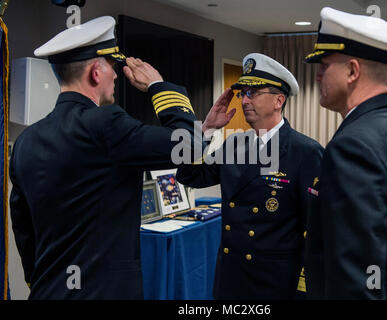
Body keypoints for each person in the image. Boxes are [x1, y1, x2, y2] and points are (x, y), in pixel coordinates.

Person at [9, 16, 201, 299]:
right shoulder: (106, 124)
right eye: (113, 66)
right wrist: (159, 87)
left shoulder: (26, 141)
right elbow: (189, 146)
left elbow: (24, 231)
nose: (116, 74)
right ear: (96, 72)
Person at [304, 7, 387, 299]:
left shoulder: (352, 146)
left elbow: (357, 272)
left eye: (324, 65)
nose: (317, 75)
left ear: (352, 71)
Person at [177, 53, 323, 299]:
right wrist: (207, 129)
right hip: (231, 280)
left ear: (279, 100)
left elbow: (317, 230)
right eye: (243, 92)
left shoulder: (305, 152)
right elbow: (189, 175)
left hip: (273, 285)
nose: (244, 100)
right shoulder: (235, 144)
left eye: (253, 93)